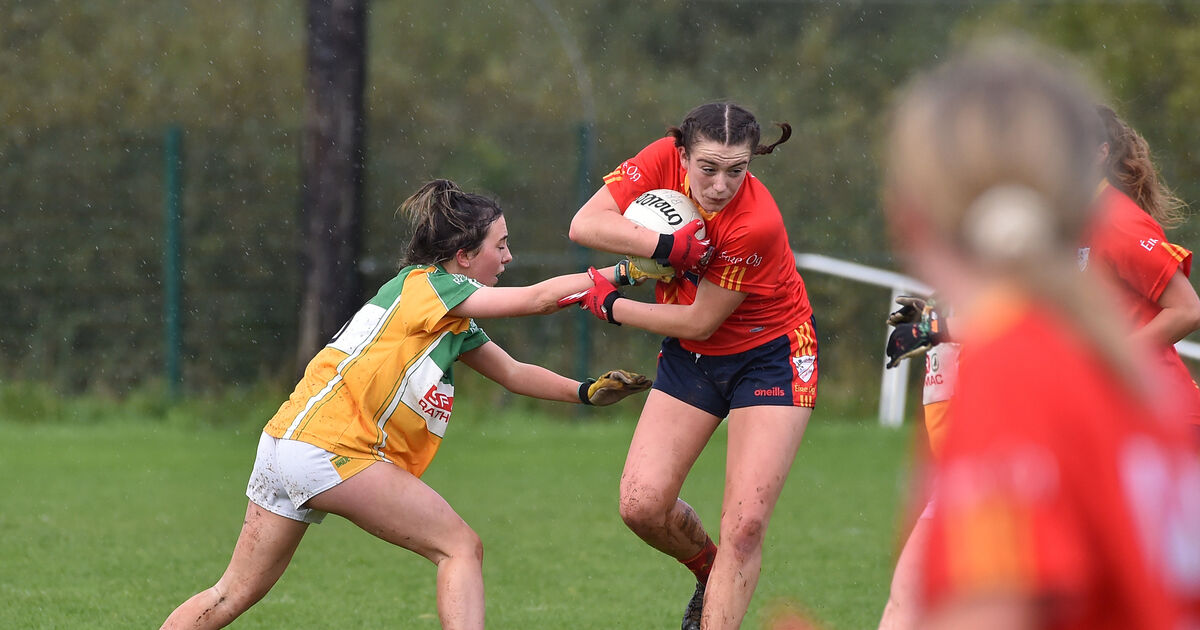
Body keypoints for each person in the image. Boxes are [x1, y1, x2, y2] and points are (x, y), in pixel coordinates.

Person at [158, 179, 652, 630]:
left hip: (284, 443)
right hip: (330, 449)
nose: (507, 257)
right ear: (463, 256)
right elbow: (540, 298)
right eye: (499, 246)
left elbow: (515, 374)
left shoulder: (444, 312)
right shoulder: (426, 287)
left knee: (230, 594)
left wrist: (586, 392)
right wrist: (626, 269)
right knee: (459, 547)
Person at [884, 43, 1200, 629]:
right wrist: (943, 324)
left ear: (914, 216)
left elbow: (994, 612)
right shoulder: (1046, 351)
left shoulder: (1020, 378)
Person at [564, 102, 817, 630]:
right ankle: (709, 570)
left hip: (772, 357)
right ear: (682, 155)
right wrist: (666, 245)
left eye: (736, 170)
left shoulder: (756, 223)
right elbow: (585, 225)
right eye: (707, 168)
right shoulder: (660, 159)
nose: (721, 184)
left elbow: (701, 320)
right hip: (695, 359)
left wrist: (610, 305)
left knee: (744, 526)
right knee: (642, 505)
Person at [1084, 104, 1200, 432]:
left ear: (1099, 153)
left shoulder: (1118, 222)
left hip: (1166, 421)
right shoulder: (1076, 223)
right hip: (1124, 417)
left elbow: (1188, 310)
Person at [877, 296, 957, 630]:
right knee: (904, 601)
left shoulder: (1012, 269)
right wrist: (932, 316)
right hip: (953, 480)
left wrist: (932, 327)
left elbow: (1011, 324)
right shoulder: (971, 275)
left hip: (995, 478)